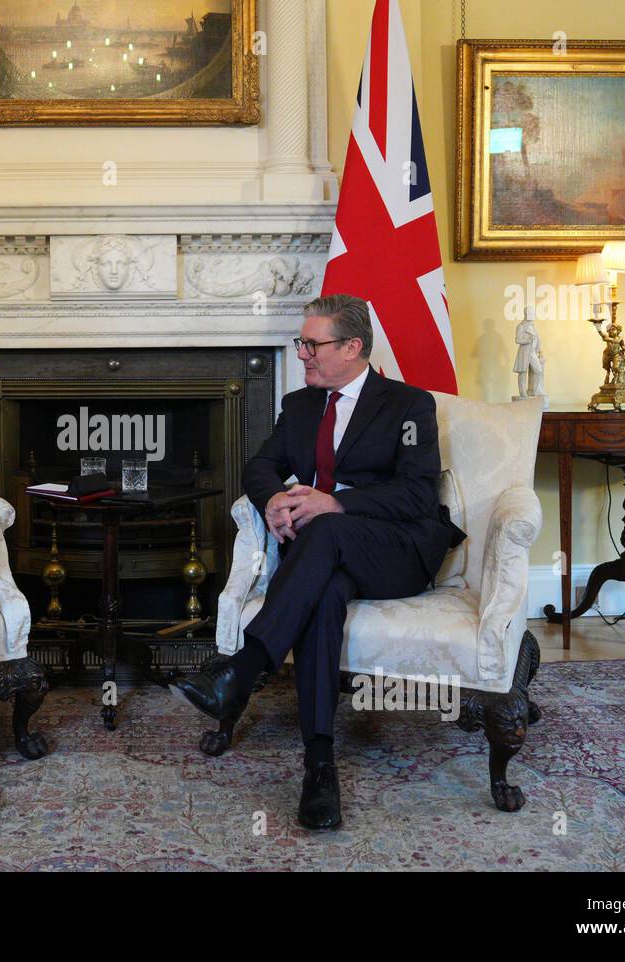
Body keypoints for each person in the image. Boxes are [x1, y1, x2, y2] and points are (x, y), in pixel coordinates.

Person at [171, 294, 465, 830]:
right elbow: (260, 466)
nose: (302, 353)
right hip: (325, 558)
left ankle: (244, 666)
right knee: (324, 596)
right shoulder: (301, 406)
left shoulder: (408, 405)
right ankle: (320, 763)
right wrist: (273, 501)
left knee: (326, 528)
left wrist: (335, 502)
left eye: (313, 343)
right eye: (301, 343)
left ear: (353, 347)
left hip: (396, 550)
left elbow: (417, 494)